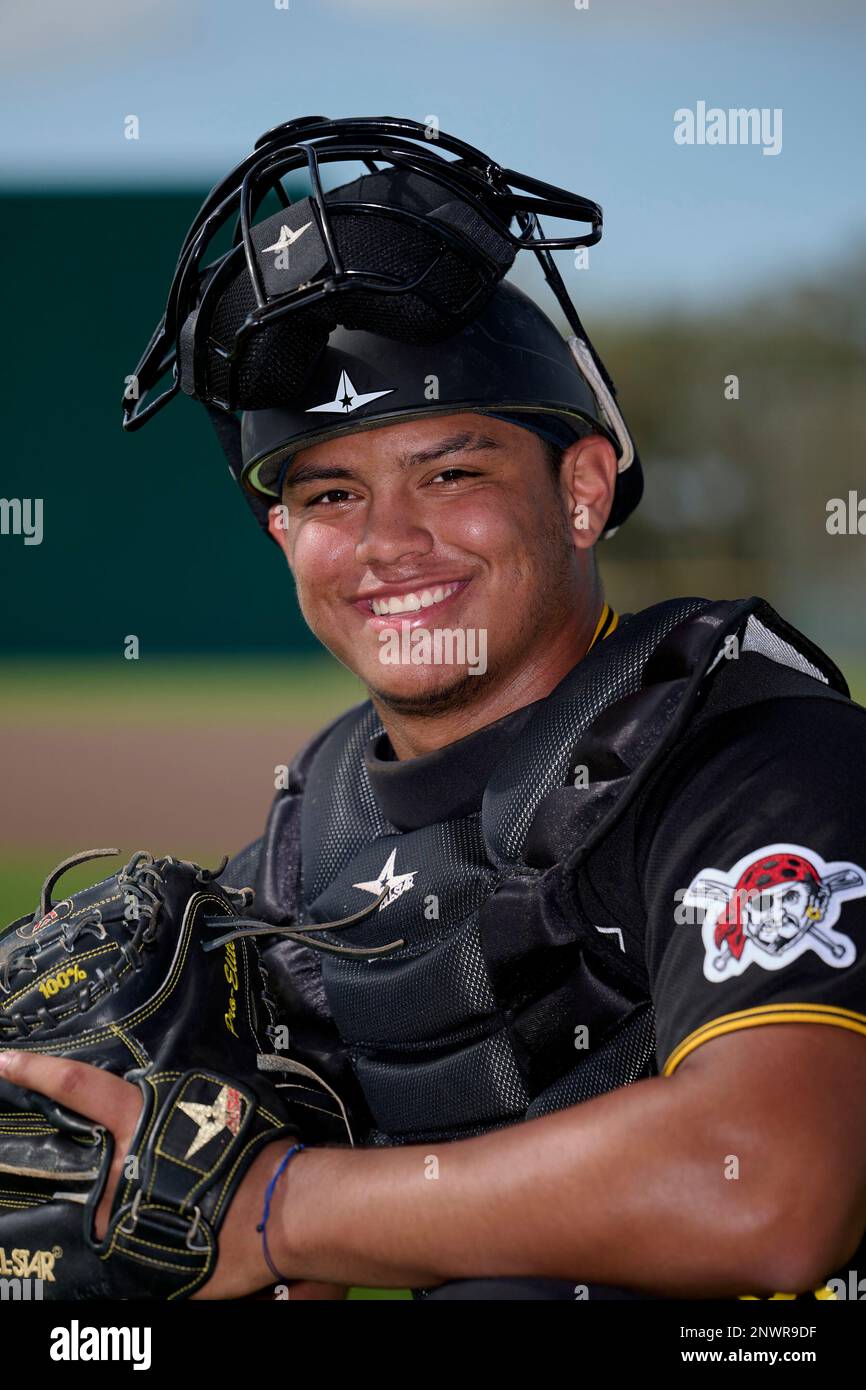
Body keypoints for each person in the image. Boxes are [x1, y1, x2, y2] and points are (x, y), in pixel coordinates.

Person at [3, 117, 865, 1302]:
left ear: (580, 489)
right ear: (283, 538)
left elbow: (765, 1190)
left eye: (450, 474)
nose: (387, 543)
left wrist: (272, 1208)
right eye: (331, 493)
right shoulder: (309, 848)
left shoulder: (761, 761)